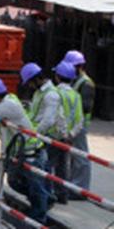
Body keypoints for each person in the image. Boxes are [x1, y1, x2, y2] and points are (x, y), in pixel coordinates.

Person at [0, 77, 50, 223]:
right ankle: (43, 201)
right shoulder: (5, 101)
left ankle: (39, 217)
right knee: (15, 182)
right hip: (16, 152)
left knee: (36, 187)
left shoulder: (10, 106)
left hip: (31, 152)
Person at [21, 61, 65, 207]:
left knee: (43, 171)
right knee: (42, 171)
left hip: (48, 137)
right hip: (40, 136)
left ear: (37, 79)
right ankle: (45, 198)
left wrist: (33, 135)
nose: (29, 86)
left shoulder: (51, 95)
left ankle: (45, 200)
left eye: (29, 82)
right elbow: (36, 113)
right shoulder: (40, 92)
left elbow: (48, 120)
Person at [52, 60, 84, 204]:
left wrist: (63, 134)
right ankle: (62, 195)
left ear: (57, 77)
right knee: (63, 167)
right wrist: (71, 135)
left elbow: (59, 116)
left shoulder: (56, 93)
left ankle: (49, 194)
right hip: (68, 137)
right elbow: (80, 119)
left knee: (48, 165)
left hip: (55, 135)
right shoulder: (76, 95)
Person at [64, 49, 95, 195]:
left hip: (79, 125)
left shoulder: (86, 84)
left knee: (81, 157)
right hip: (72, 124)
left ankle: (80, 189)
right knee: (72, 156)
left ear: (79, 66)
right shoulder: (75, 80)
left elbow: (85, 107)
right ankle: (73, 185)